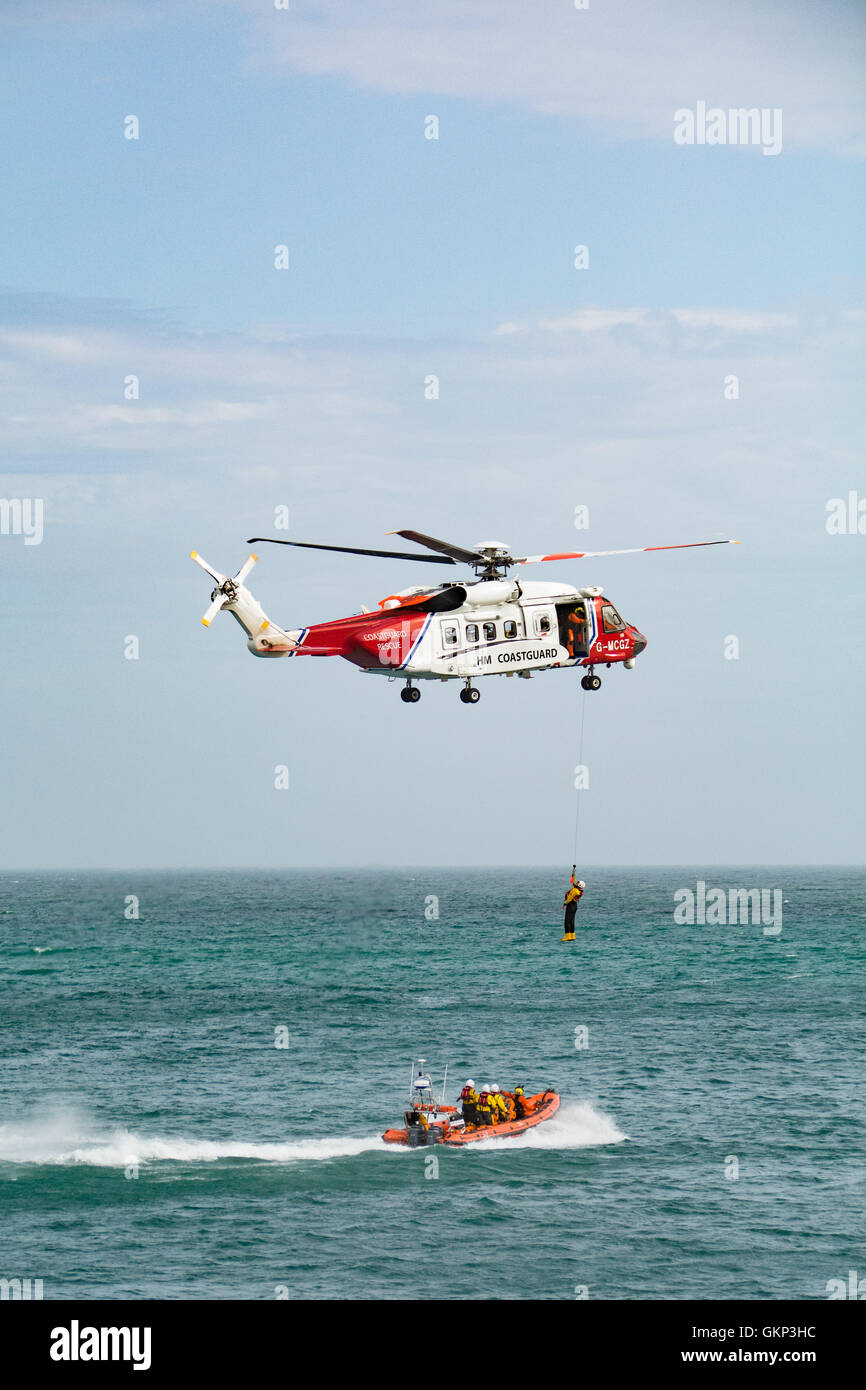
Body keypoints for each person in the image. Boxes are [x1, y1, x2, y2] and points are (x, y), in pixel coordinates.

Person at [562, 872, 586, 942]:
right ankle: (572, 936)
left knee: (567, 921)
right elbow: (572, 881)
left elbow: (569, 898)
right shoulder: (578, 889)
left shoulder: (575, 890)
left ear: (579, 885)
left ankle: (567, 936)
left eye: (578, 882)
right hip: (574, 906)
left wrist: (565, 904)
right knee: (572, 921)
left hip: (571, 905)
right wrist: (573, 873)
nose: (576, 882)